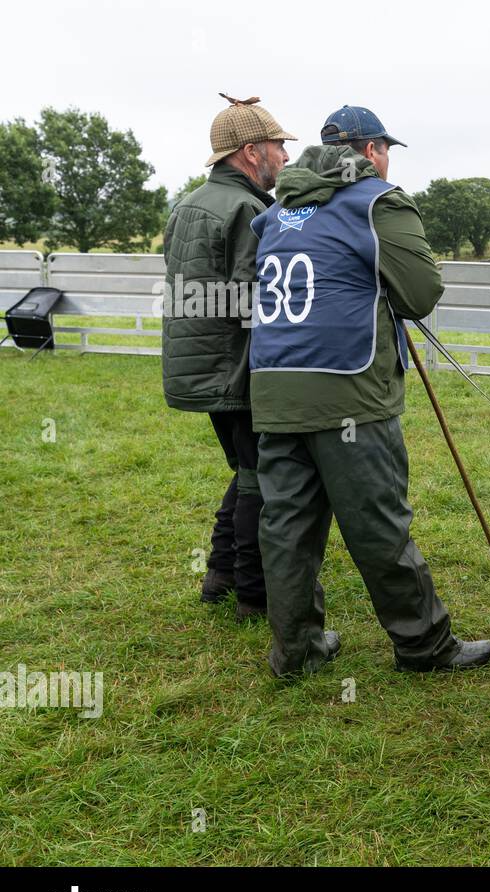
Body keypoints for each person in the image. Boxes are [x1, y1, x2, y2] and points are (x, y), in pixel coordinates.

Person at [249, 105, 490, 677]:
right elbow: (419, 293)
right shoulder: (378, 202)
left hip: (274, 386)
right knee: (378, 522)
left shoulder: (278, 210)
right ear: (369, 152)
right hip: (348, 390)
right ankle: (423, 646)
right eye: (386, 150)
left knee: (287, 527)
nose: (387, 161)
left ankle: (296, 651)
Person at [161, 94, 295, 621]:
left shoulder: (188, 202)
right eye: (278, 147)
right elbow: (252, 298)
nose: (285, 158)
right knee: (261, 478)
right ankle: (254, 597)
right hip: (234, 366)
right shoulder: (248, 208)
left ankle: (219, 575)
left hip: (200, 365)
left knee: (245, 470)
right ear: (248, 151)